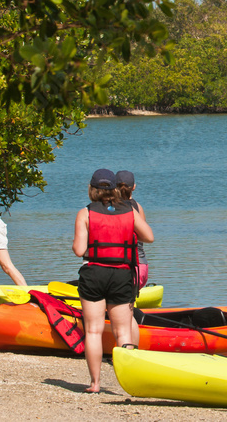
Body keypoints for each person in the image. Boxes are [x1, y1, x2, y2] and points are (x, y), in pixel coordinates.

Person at [73, 168, 154, 393]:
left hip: (94, 274)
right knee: (123, 332)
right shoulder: (130, 212)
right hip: (121, 275)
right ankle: (128, 382)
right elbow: (149, 237)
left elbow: (79, 249)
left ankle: (95, 383)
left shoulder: (85, 213)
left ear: (92, 190)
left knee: (93, 330)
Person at [116, 170, 149, 290]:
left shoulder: (111, 208)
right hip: (142, 267)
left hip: (125, 269)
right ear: (133, 187)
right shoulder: (138, 207)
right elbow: (145, 236)